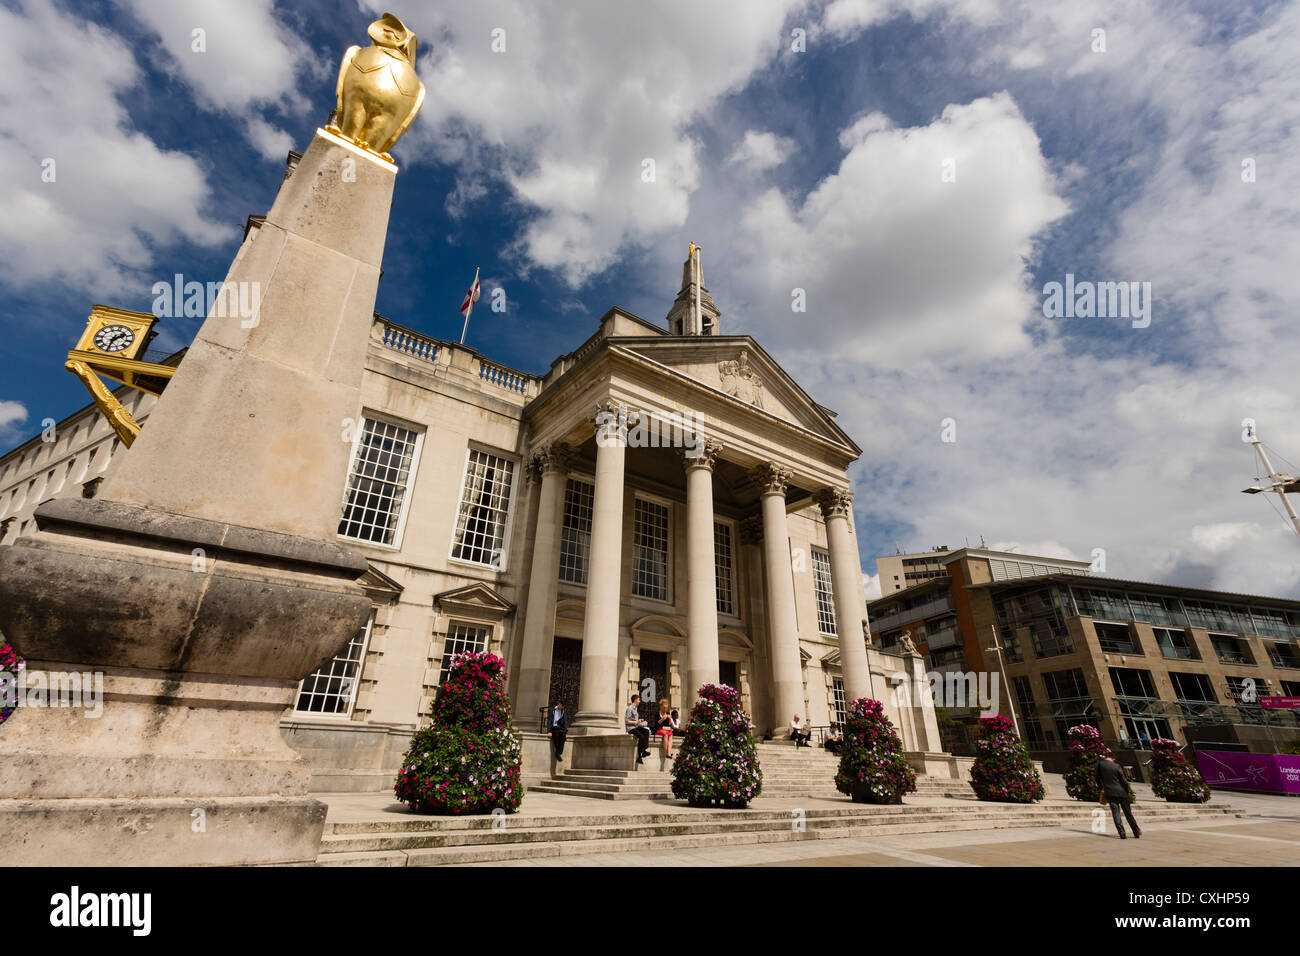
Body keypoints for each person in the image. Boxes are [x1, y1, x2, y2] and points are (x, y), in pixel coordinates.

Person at [1095, 755, 1141, 839]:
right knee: (1128, 813)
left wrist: (1102, 788)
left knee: (1116, 813)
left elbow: (1097, 779)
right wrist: (1127, 791)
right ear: (1113, 759)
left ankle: (1122, 833)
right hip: (1121, 792)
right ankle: (1136, 832)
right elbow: (1124, 781)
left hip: (1109, 792)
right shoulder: (1116, 766)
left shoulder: (1100, 764)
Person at [625, 694, 651, 764]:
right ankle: (639, 757)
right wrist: (636, 722)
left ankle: (644, 750)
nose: (639, 701)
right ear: (635, 700)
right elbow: (627, 721)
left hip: (636, 727)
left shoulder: (635, 708)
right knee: (641, 737)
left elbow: (635, 721)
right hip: (630, 728)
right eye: (639, 700)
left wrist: (640, 721)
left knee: (646, 731)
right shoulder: (630, 708)